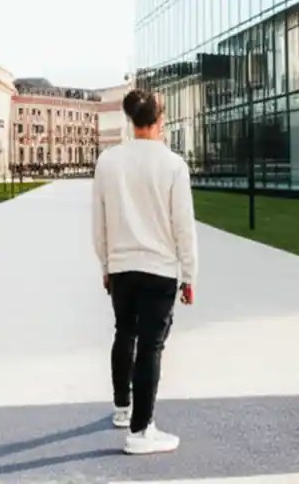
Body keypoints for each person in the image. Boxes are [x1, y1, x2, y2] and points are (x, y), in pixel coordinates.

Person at [92, 89, 198, 456]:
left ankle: (123, 408)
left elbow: (99, 222)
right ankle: (141, 430)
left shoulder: (108, 162)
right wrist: (189, 275)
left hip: (122, 267)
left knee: (124, 332)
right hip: (159, 268)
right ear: (159, 121)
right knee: (151, 346)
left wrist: (106, 264)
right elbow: (183, 226)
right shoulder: (173, 165)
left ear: (131, 120)